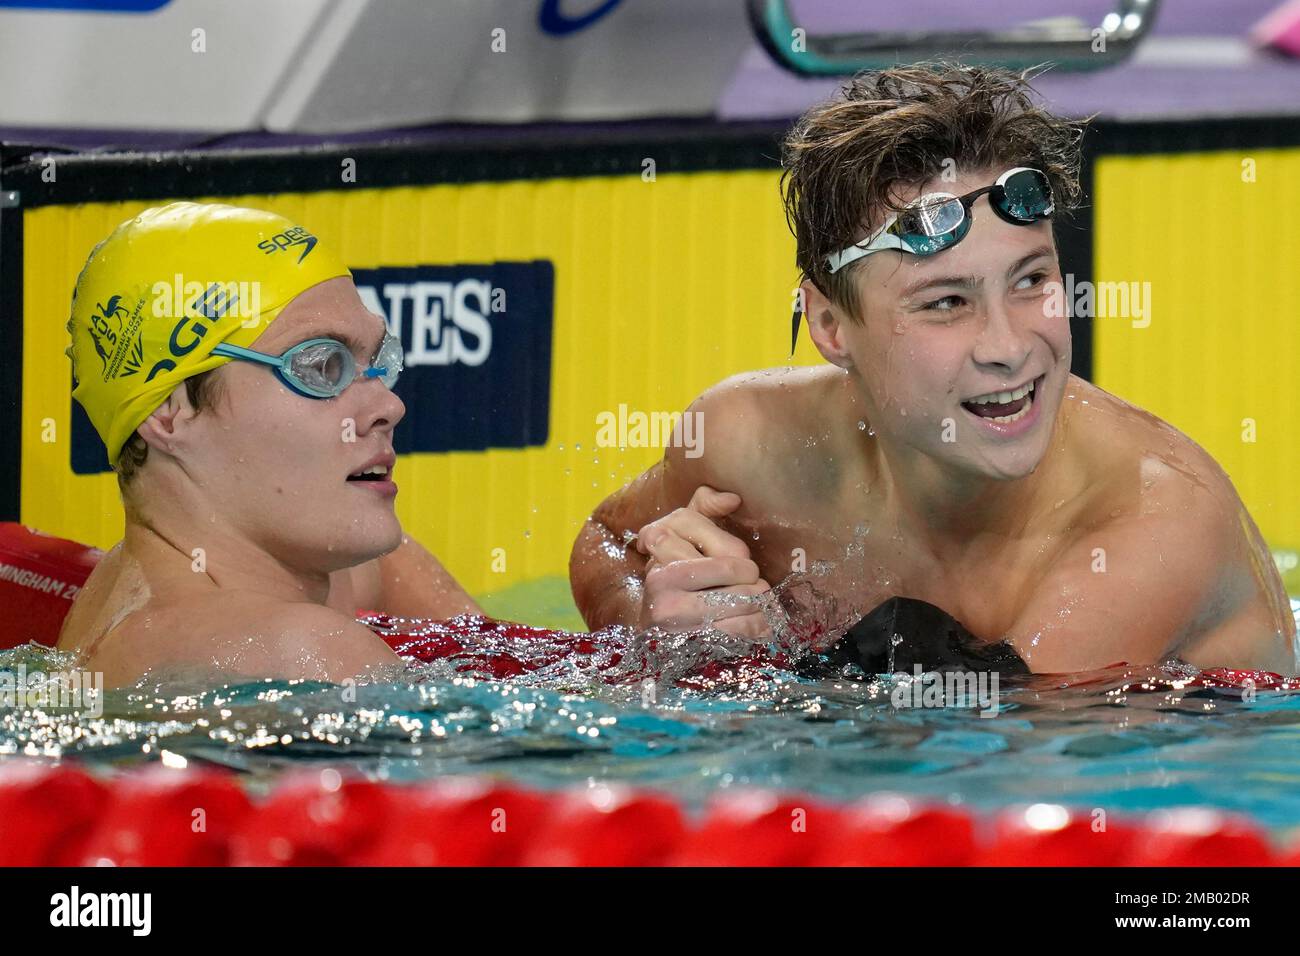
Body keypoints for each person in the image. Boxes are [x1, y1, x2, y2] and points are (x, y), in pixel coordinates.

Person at [569, 63, 1298, 675]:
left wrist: (753, 672)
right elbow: (604, 541)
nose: (1009, 347)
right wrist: (654, 614)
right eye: (947, 302)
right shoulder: (746, 441)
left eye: (1030, 280)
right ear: (829, 325)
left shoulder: (1153, 520)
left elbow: (986, 776)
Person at [57, 202, 479, 687]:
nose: (389, 406)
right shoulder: (303, 653)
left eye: (377, 360)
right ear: (169, 412)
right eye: (321, 366)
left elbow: (388, 566)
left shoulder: (136, 593)